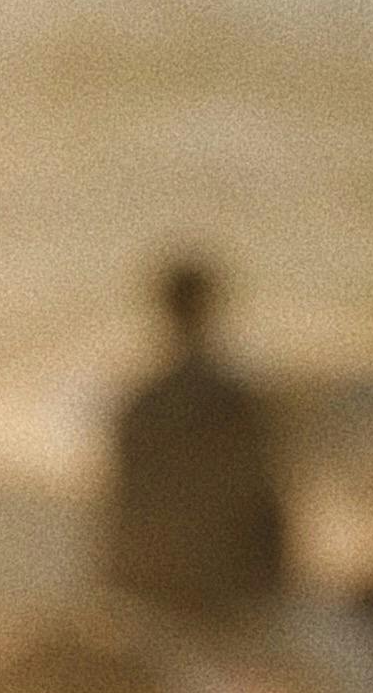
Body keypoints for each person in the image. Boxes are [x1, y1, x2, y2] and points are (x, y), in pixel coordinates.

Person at [101, 254, 291, 636]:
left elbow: (121, 507)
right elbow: (262, 499)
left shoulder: (140, 404)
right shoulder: (236, 403)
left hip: (148, 593)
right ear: (210, 312)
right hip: (226, 597)